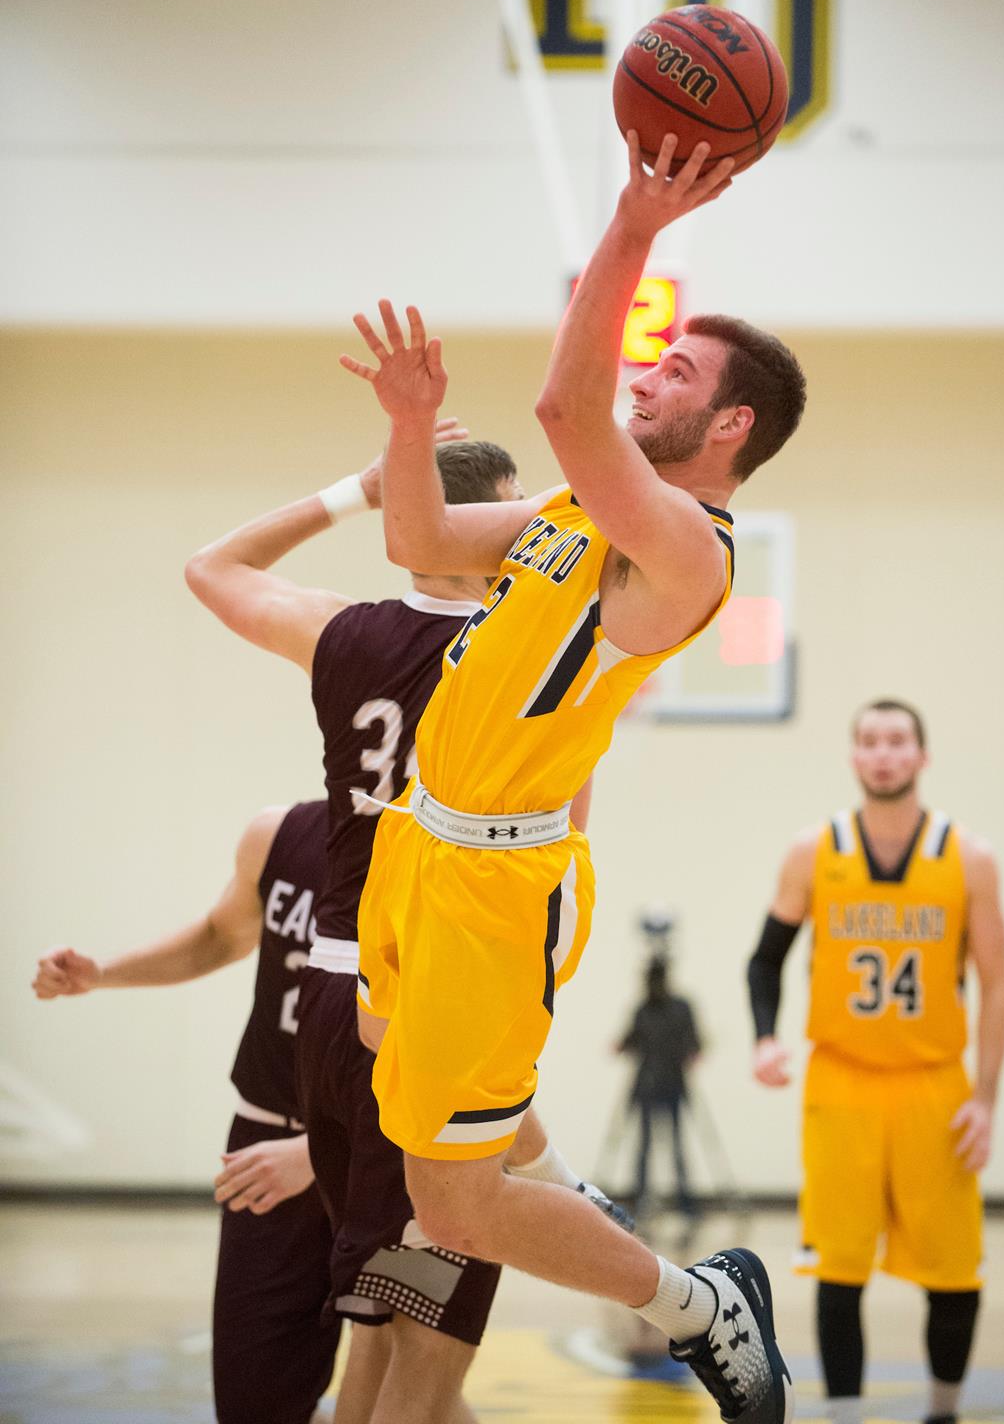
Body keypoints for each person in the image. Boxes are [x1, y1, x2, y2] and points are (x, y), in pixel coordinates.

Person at [339, 131, 806, 1422]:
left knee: (451, 1200)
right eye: (650, 362)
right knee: (417, 1129)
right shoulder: (570, 513)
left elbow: (565, 408)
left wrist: (635, 226)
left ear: (731, 424)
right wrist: (414, 420)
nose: (647, 381)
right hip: (416, 849)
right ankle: (539, 1206)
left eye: (675, 373)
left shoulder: (686, 554)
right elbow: (424, 539)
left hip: (495, 886)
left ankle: (696, 1306)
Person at [185, 433, 606, 1424]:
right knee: (422, 1353)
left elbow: (211, 568)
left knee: (380, 1343)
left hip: (333, 1000)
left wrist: (358, 490)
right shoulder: (531, 660)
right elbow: (563, 848)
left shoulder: (342, 631)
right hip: (442, 1005)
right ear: (495, 518)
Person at [32, 801, 345, 1424]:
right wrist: (104, 973)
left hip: (385, 1148)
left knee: (407, 1392)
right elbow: (220, 935)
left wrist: (322, 1152)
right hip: (266, 1134)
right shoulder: (281, 833)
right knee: (254, 1401)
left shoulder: (442, 847)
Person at [746, 699, 1004, 1424]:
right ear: (853, 757)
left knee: (954, 1271)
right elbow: (764, 962)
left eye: (897, 741)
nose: (883, 754)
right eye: (869, 741)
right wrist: (765, 1037)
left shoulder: (968, 857)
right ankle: (844, 1418)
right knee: (838, 1268)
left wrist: (984, 1098)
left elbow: (996, 983)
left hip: (933, 1082)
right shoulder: (814, 850)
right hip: (843, 1079)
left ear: (921, 757)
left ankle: (943, 1412)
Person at [618, 956, 702, 1214]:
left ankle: (684, 1202)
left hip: (671, 1084)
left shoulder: (680, 1008)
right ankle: (642, 1200)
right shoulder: (644, 1009)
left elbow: (694, 1043)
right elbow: (630, 1041)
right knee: (644, 1146)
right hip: (647, 1085)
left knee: (676, 1145)